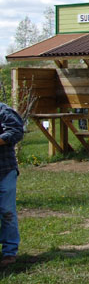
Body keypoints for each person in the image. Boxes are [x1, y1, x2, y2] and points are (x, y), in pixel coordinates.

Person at [0, 102, 24, 266]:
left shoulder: (4, 111)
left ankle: (9, 252)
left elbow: (16, 131)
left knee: (6, 210)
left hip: (5, 169)